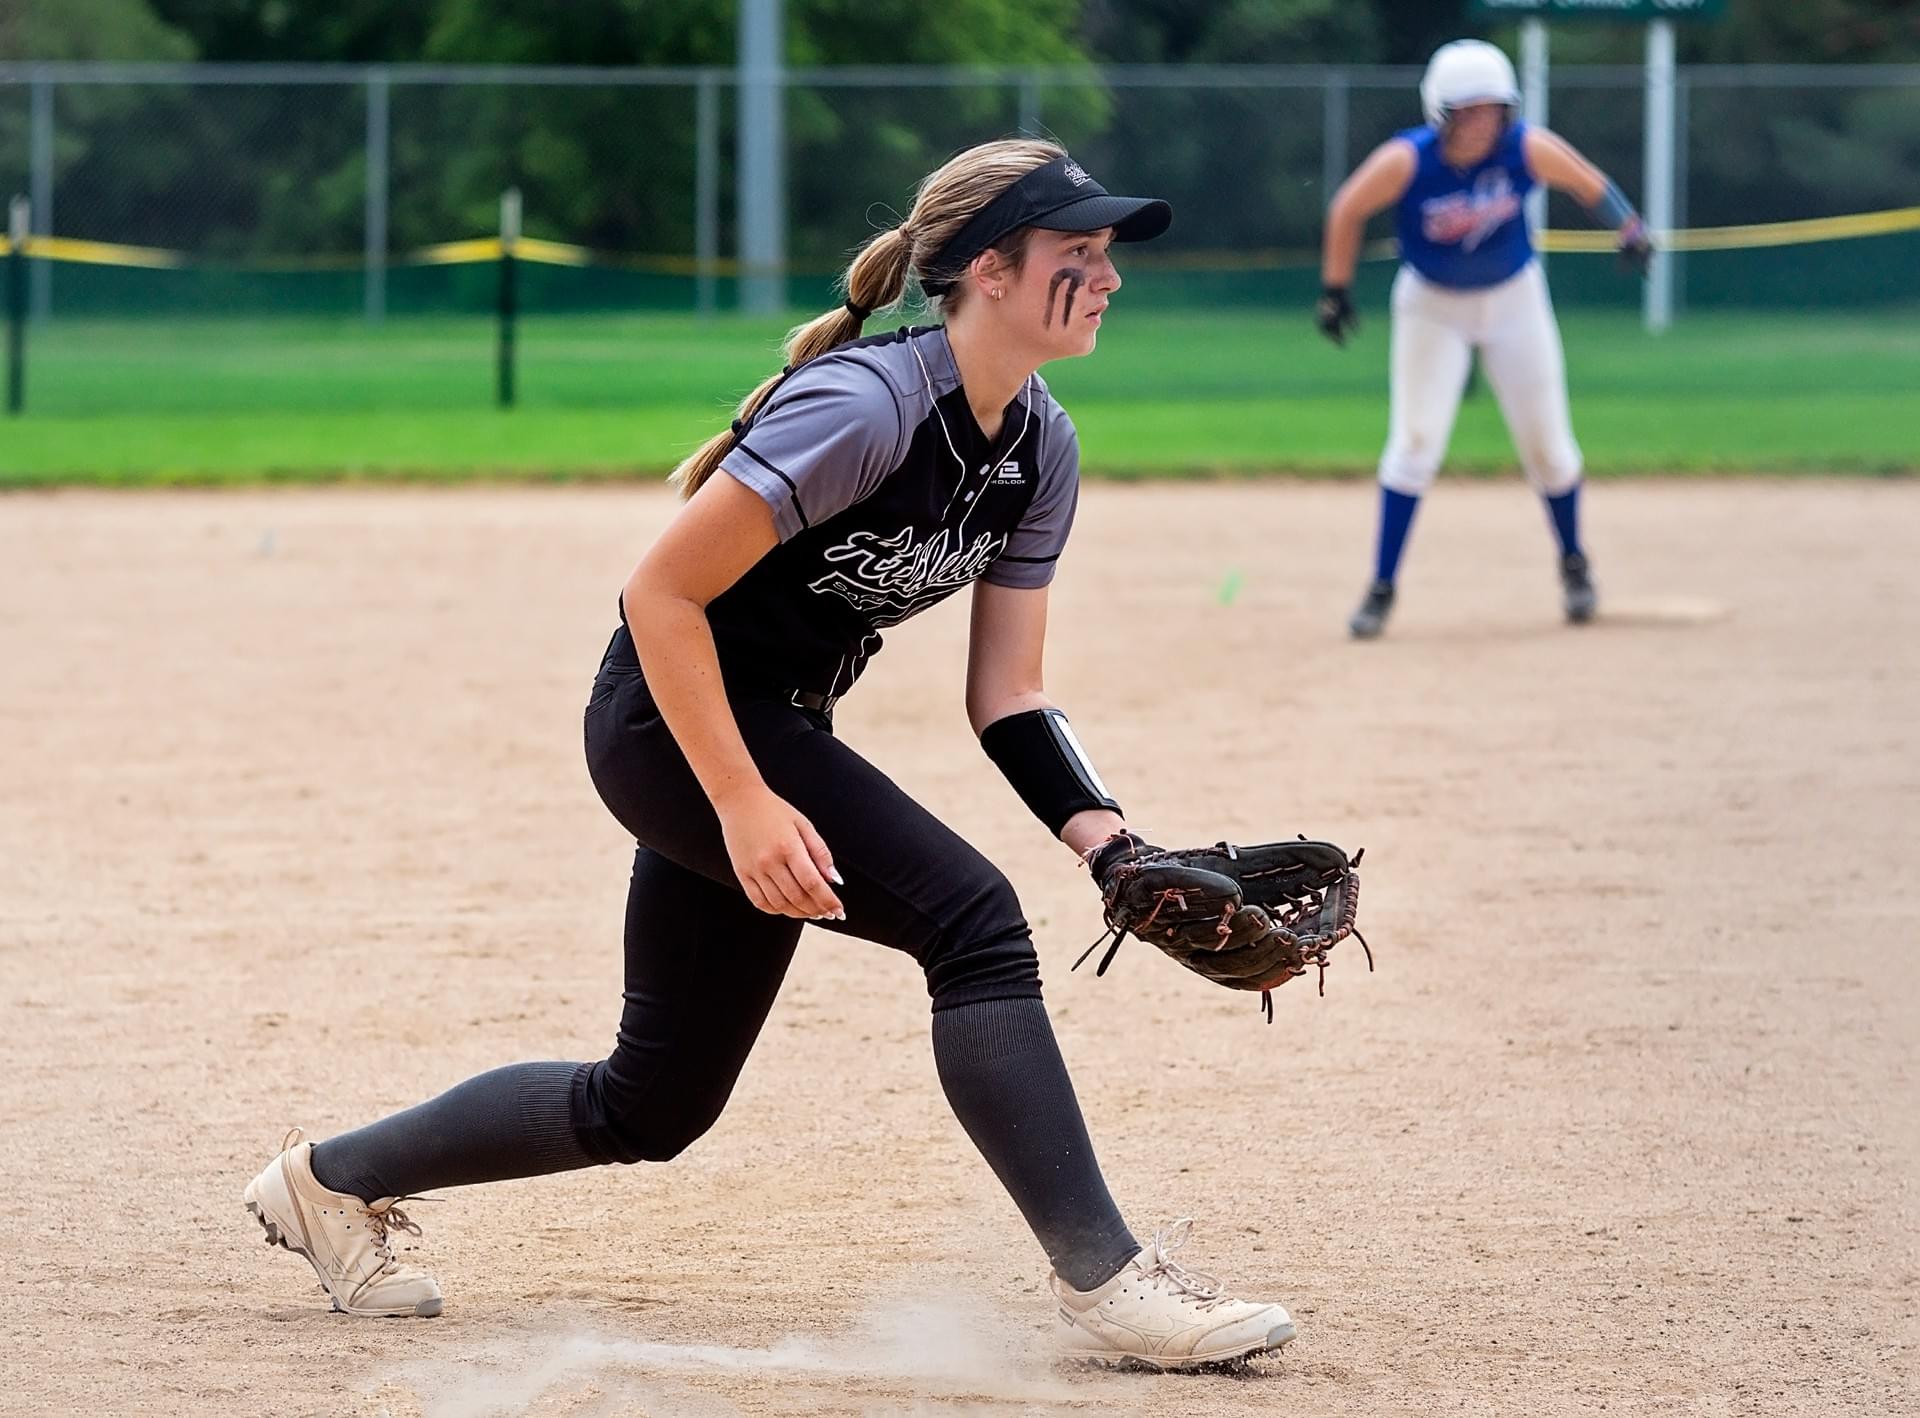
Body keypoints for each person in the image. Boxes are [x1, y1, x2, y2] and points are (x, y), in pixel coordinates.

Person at [241, 139, 1298, 1371]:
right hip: (673, 720)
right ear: (990, 271)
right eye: (1080, 254)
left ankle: (324, 1182)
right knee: (974, 924)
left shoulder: (1037, 447)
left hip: (773, 726)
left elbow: (1010, 695)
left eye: (1109, 254)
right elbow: (659, 595)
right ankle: (1110, 1279)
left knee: (653, 1101)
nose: (1109, 277)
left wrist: (1112, 844)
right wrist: (743, 801)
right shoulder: (870, 404)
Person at [1317, 38, 1654, 639]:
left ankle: (1574, 564)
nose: (1480, 124)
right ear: (1439, 114)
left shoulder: (1524, 149)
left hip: (1513, 300)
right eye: (1466, 112)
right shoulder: (1408, 159)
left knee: (1549, 446)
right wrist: (1335, 290)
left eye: (1491, 110)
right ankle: (1382, 587)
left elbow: (1589, 182)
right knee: (1415, 444)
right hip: (1432, 306)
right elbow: (1347, 208)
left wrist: (1629, 227)